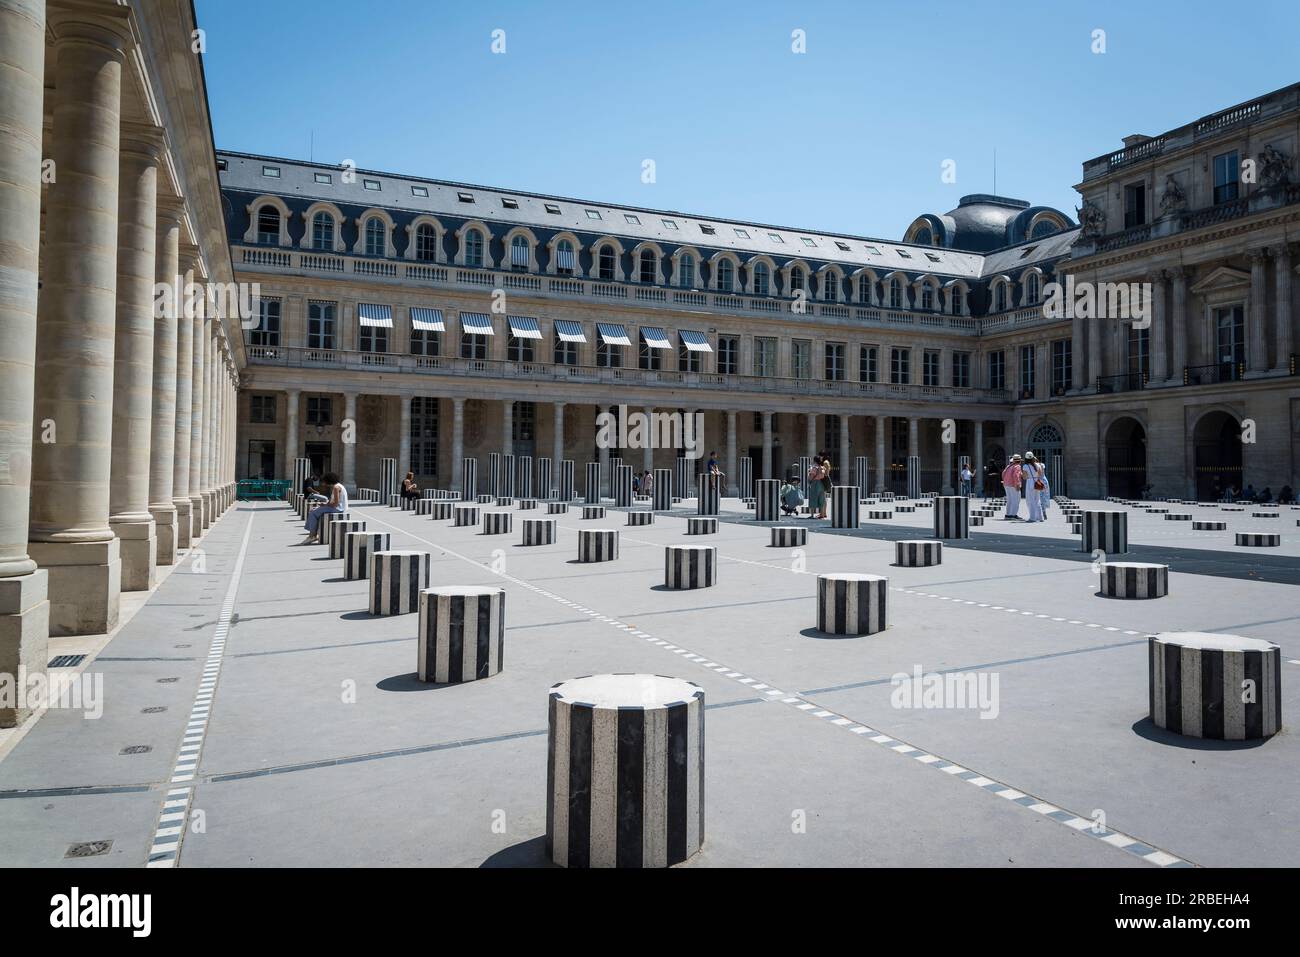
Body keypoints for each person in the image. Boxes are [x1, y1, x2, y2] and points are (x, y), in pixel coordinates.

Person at [302, 472, 348, 544]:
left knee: (313, 513)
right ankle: (313, 533)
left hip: (338, 509)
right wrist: (325, 504)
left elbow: (335, 503)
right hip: (338, 508)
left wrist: (326, 505)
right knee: (314, 510)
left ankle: (312, 535)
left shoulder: (336, 487)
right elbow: (333, 502)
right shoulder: (339, 486)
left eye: (324, 481)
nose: (324, 483)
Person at [1022, 453, 1045, 522]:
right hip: (1037, 481)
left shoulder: (1025, 466)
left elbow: (1024, 477)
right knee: (1037, 500)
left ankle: (1032, 517)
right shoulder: (1038, 465)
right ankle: (1040, 517)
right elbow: (1041, 474)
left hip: (1030, 482)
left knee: (1030, 500)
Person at [1001, 454, 1023, 519]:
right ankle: (1013, 514)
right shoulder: (1017, 466)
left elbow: (1003, 474)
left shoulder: (1008, 466)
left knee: (1010, 500)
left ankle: (1008, 514)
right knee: (1016, 500)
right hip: (1013, 485)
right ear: (1019, 461)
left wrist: (1005, 480)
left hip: (1006, 484)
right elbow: (1016, 476)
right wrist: (1018, 484)